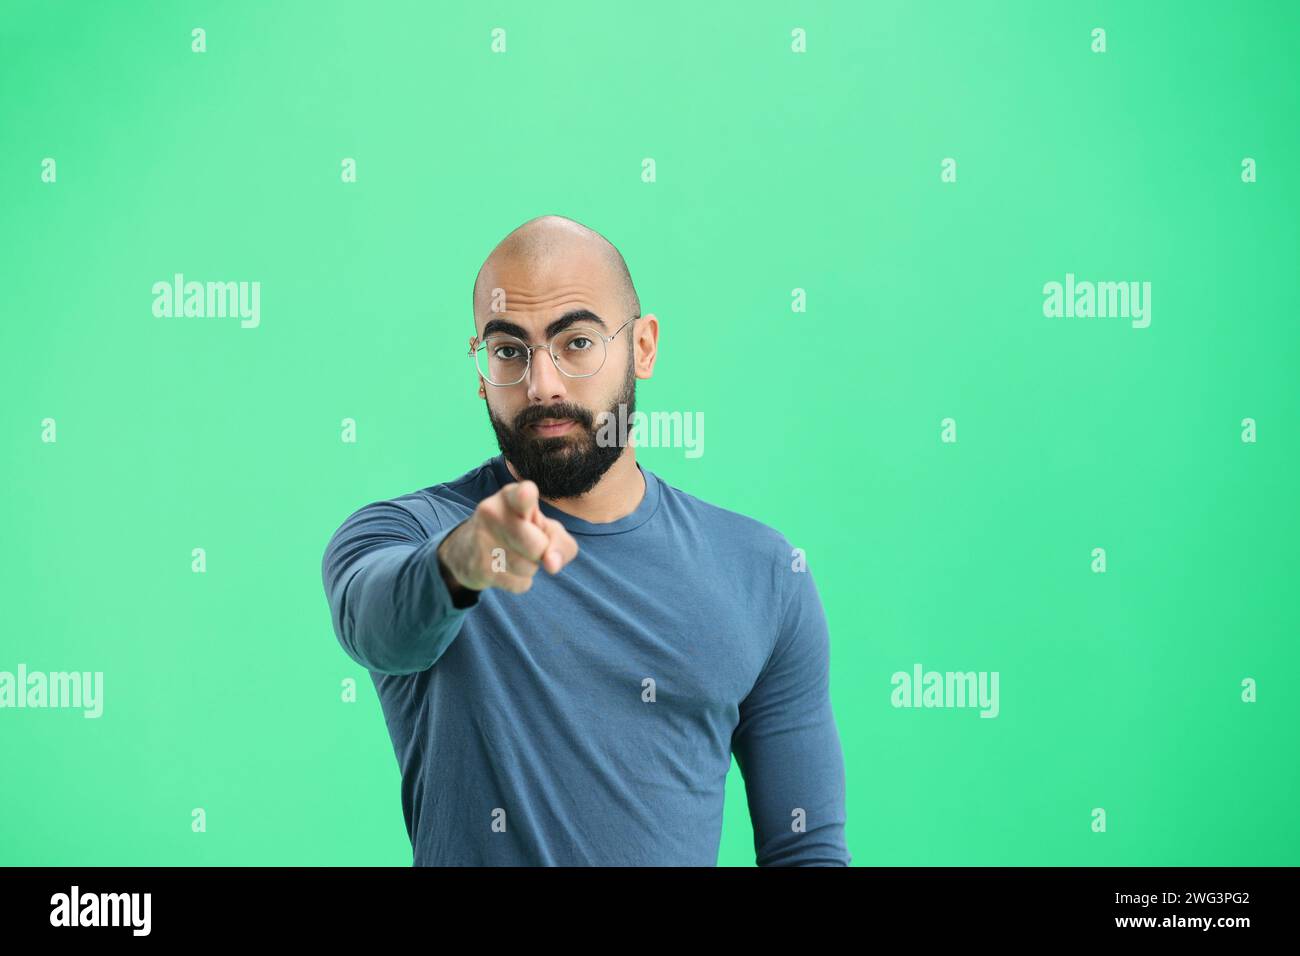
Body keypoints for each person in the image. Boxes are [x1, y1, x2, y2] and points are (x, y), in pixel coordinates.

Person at [320, 214, 850, 866]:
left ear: (644, 347)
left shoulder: (764, 573)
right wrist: (464, 559)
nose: (542, 383)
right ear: (481, 371)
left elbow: (806, 852)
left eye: (576, 342)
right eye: (510, 351)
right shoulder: (410, 534)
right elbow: (377, 623)